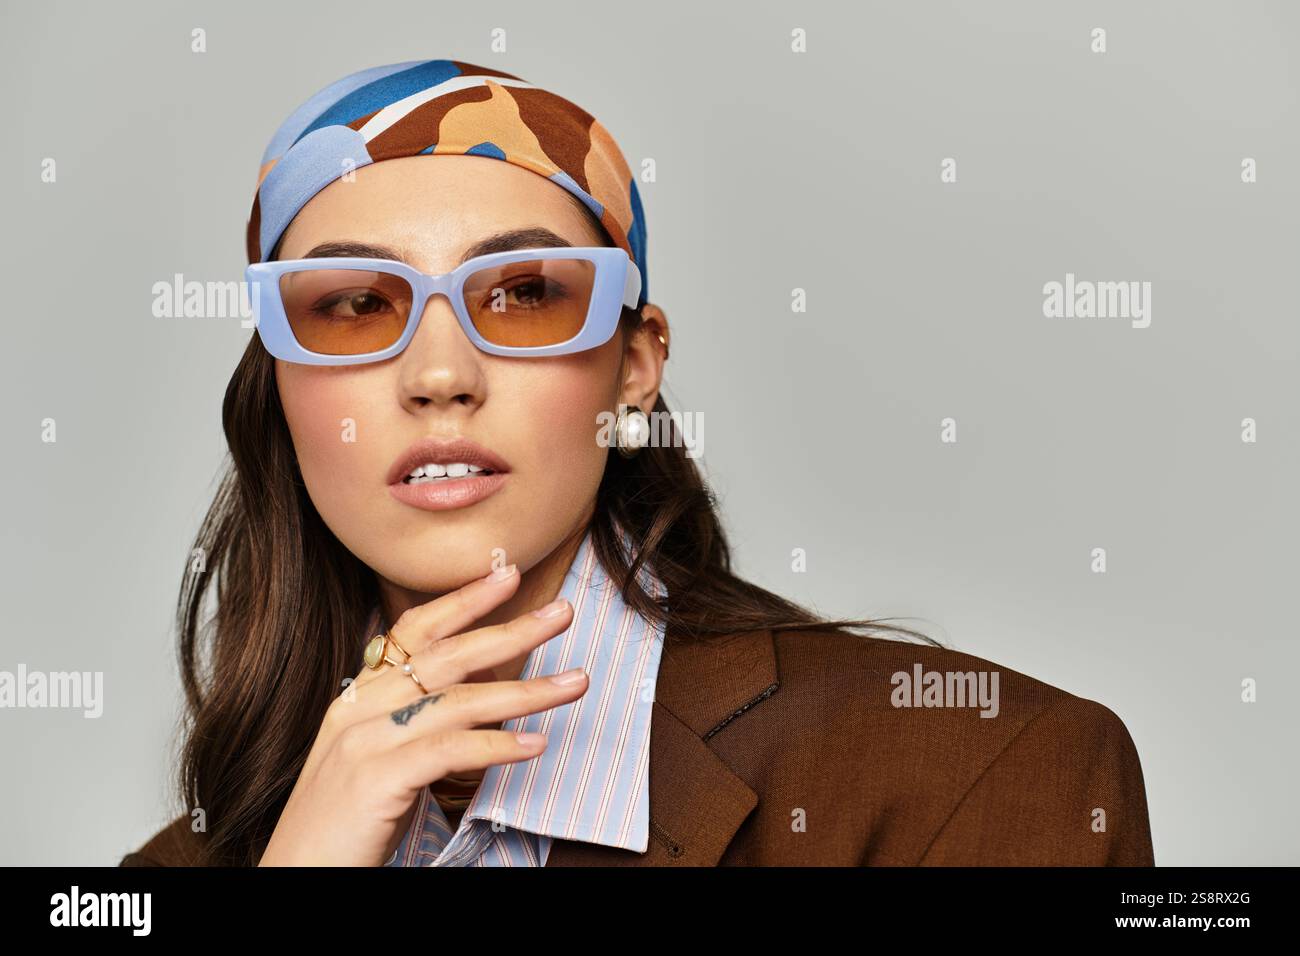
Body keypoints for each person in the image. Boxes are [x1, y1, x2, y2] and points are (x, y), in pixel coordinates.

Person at [119, 58, 1154, 867]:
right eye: (352, 305)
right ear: (282, 382)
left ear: (633, 366)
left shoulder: (981, 777)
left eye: (523, 292)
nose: (439, 372)